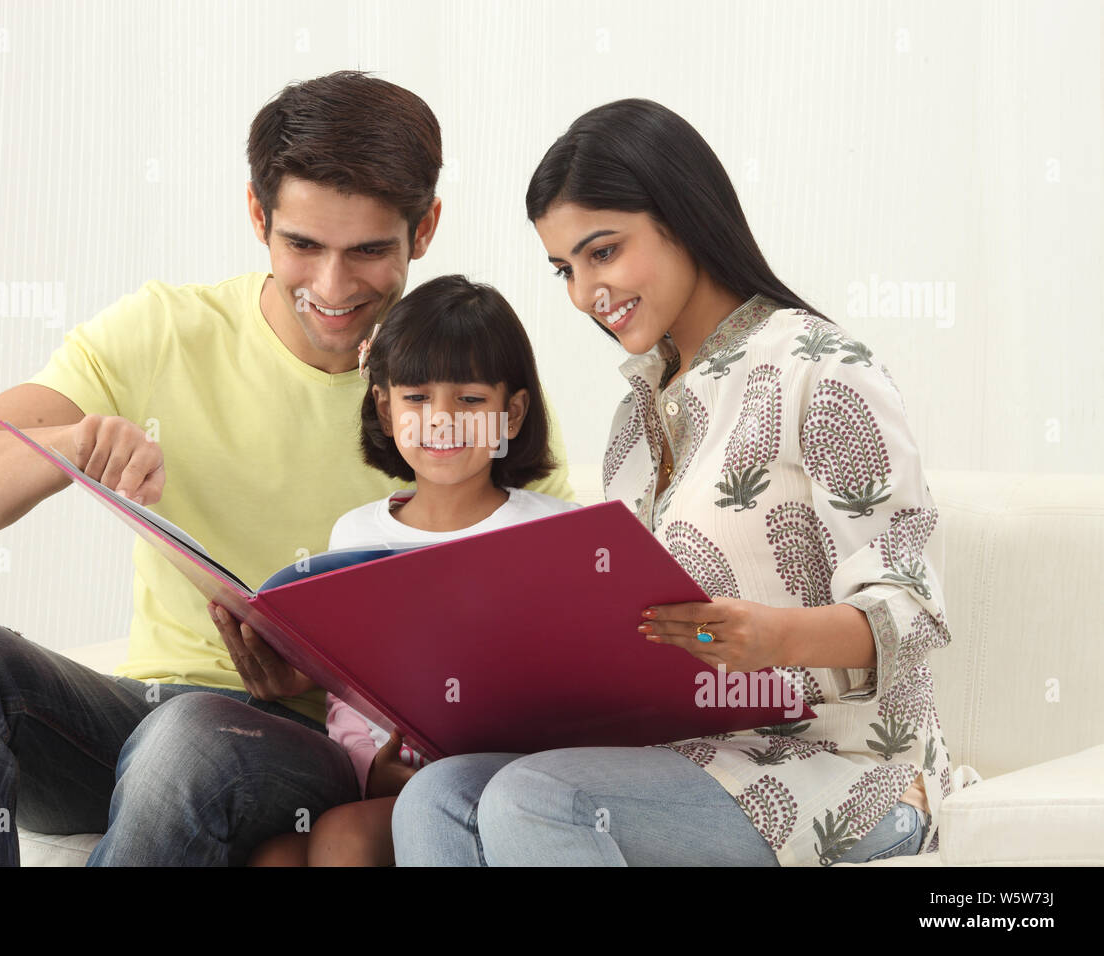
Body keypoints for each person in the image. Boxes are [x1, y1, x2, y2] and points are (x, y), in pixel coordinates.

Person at [0, 72, 574, 866]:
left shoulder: (466, 398)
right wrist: (73, 447)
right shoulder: (162, 332)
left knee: (191, 736)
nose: (334, 288)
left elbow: (532, 658)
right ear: (257, 215)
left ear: (426, 229)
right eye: (303, 246)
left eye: (370, 252)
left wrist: (353, 678)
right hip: (135, 721)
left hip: (318, 748)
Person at [392, 99, 954, 867]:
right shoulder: (635, 418)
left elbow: (912, 612)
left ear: (682, 217)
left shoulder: (822, 368)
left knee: (538, 798)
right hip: (681, 760)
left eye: (604, 252)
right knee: (440, 795)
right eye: (565, 269)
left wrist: (772, 637)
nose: (586, 291)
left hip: (839, 772)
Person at [236, 275, 579, 866]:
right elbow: (349, 697)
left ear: (512, 413)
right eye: (417, 398)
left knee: (344, 838)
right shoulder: (355, 535)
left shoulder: (556, 532)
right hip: (388, 780)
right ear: (385, 408)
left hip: (507, 781)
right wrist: (374, 770)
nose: (441, 420)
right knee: (275, 857)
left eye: (470, 400)